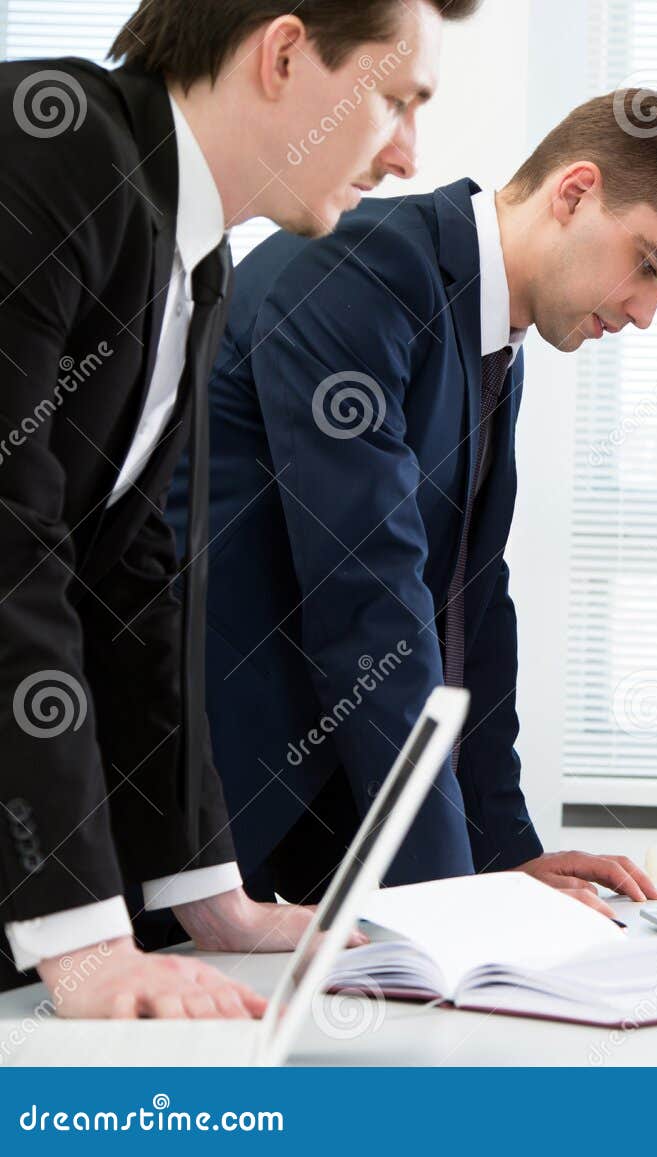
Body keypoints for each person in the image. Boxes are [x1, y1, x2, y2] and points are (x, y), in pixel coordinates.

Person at [169, 92, 657, 916]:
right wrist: (460, 904)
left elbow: (466, 612)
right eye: (648, 267)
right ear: (575, 192)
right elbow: (372, 603)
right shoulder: (361, 274)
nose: (644, 315)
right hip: (178, 809)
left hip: (303, 829)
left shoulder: (489, 342)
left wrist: (506, 860)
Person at [0, 0, 479, 1017]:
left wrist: (211, 896)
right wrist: (84, 941)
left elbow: (136, 584)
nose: (406, 155)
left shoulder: (194, 258)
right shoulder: (47, 149)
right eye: (394, 102)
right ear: (285, 53)